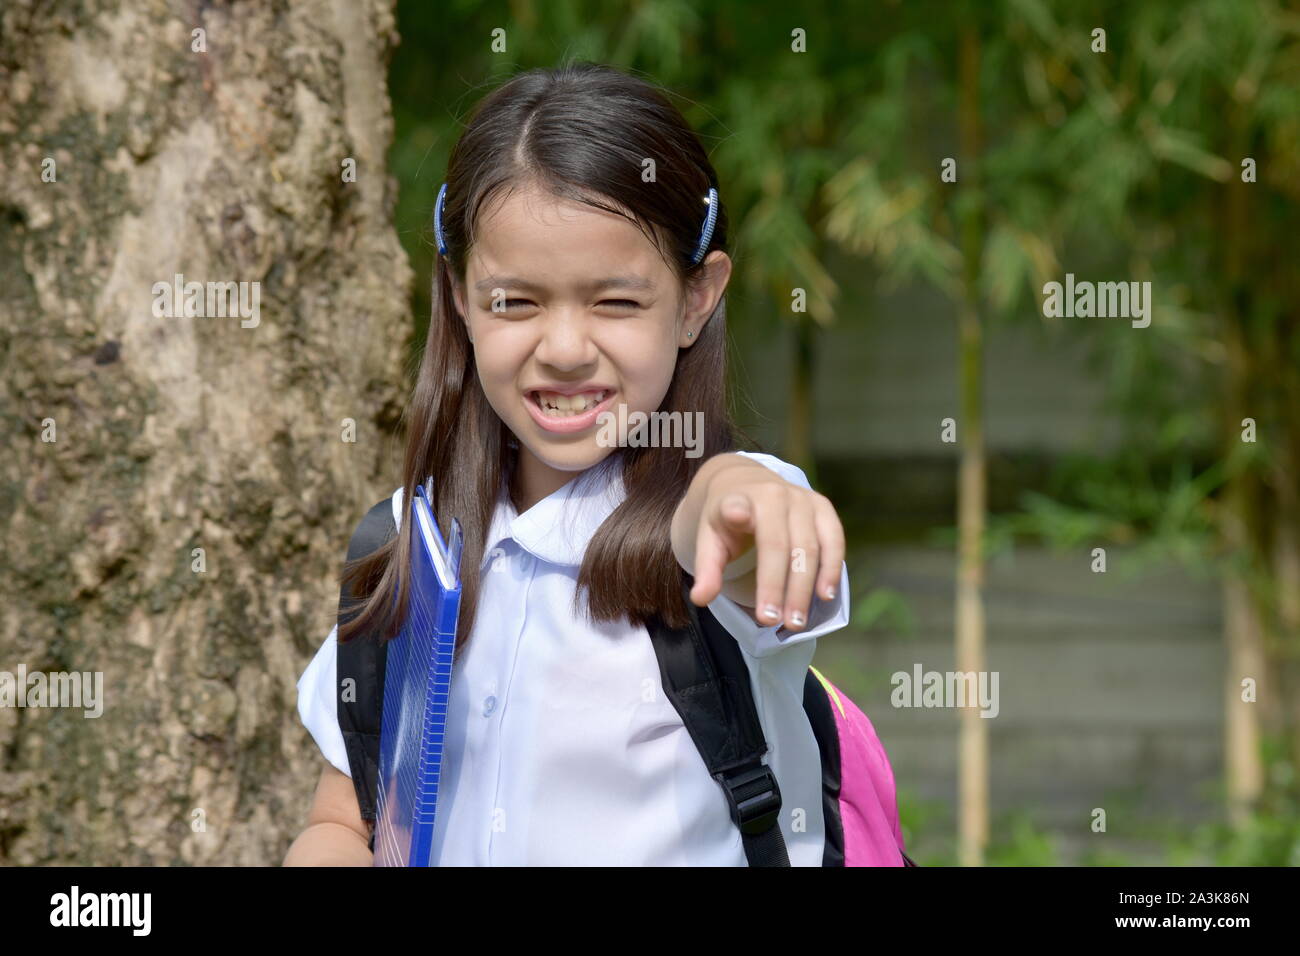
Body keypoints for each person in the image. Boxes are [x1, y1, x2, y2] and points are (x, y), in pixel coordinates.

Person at [283, 60, 850, 866]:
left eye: (616, 301)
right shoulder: (412, 549)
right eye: (515, 301)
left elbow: (733, 527)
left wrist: (743, 498)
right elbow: (347, 820)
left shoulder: (725, 528)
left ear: (696, 298)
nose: (564, 348)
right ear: (459, 299)